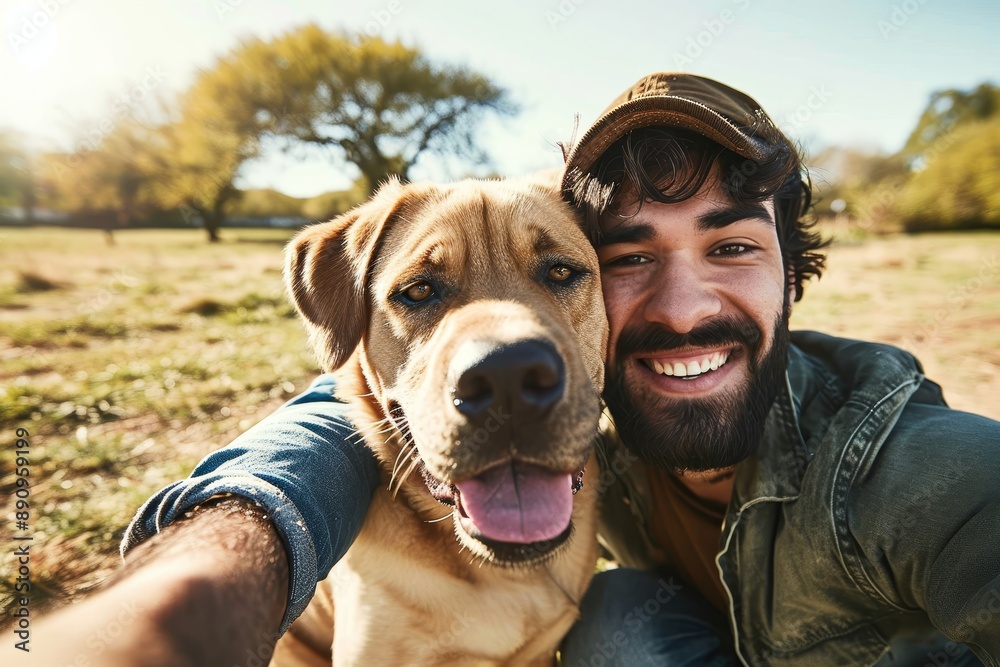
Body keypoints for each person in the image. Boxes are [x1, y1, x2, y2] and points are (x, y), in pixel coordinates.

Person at [23, 73, 1000, 666]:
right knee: (621, 622)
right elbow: (329, 426)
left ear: (796, 270)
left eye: (557, 272)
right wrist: (172, 615)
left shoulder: (919, 472)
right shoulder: (618, 433)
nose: (681, 305)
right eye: (420, 294)